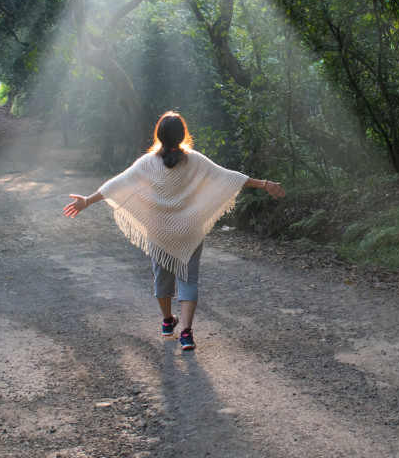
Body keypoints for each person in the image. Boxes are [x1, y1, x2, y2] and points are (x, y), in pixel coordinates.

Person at [64, 111, 284, 351]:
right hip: (189, 229)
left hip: (159, 232)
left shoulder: (147, 163)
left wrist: (87, 201)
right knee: (189, 280)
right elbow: (228, 177)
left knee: (162, 278)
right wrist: (264, 184)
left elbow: (116, 184)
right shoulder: (195, 160)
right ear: (183, 134)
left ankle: (168, 322)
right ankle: (186, 334)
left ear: (158, 134)